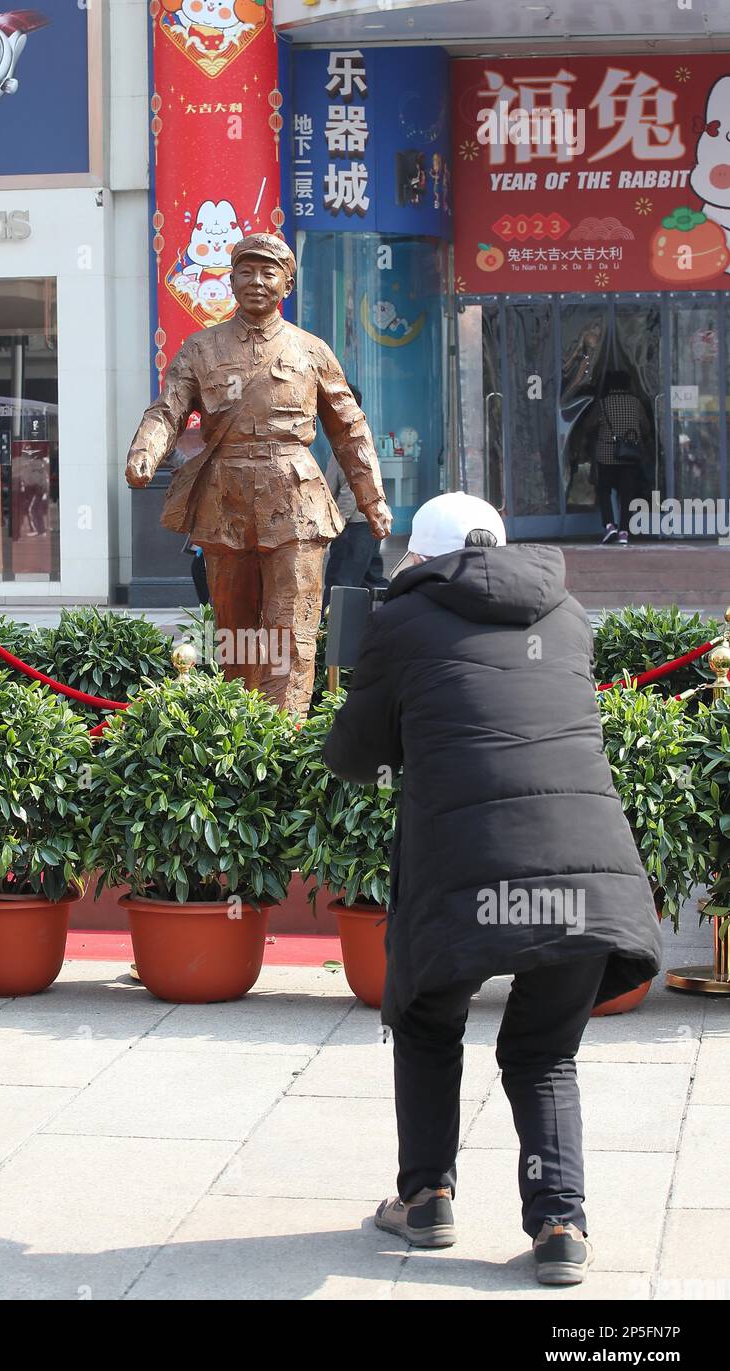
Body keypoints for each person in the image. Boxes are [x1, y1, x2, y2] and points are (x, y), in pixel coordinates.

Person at [322, 491, 661, 1286]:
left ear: (424, 557)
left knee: (427, 1018)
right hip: (585, 870)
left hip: (462, 868)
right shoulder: (569, 615)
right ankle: (560, 1227)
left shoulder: (401, 622)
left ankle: (428, 1196)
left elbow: (353, 756)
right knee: (543, 1052)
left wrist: (364, 679)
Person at [126, 232, 392, 715]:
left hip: (296, 496)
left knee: (292, 626)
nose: (256, 281)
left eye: (268, 272)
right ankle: (245, 732)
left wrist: (371, 499)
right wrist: (146, 450)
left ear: (286, 284)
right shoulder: (201, 349)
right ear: (230, 281)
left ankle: (284, 739)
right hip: (225, 498)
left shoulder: (311, 351)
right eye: (245, 271)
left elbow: (349, 427)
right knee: (236, 629)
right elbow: (168, 410)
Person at [321, 382, 385, 612]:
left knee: (340, 587)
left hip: (355, 525)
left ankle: (329, 642)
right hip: (364, 523)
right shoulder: (348, 435)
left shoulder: (352, 437)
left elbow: (351, 490)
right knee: (371, 584)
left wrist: (336, 523)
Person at [586, 369, 651, 544]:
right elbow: (645, 428)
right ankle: (624, 532)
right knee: (627, 494)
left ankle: (609, 525)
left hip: (606, 456)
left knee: (604, 491)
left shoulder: (603, 404)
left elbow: (589, 426)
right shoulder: (636, 404)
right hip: (630, 457)